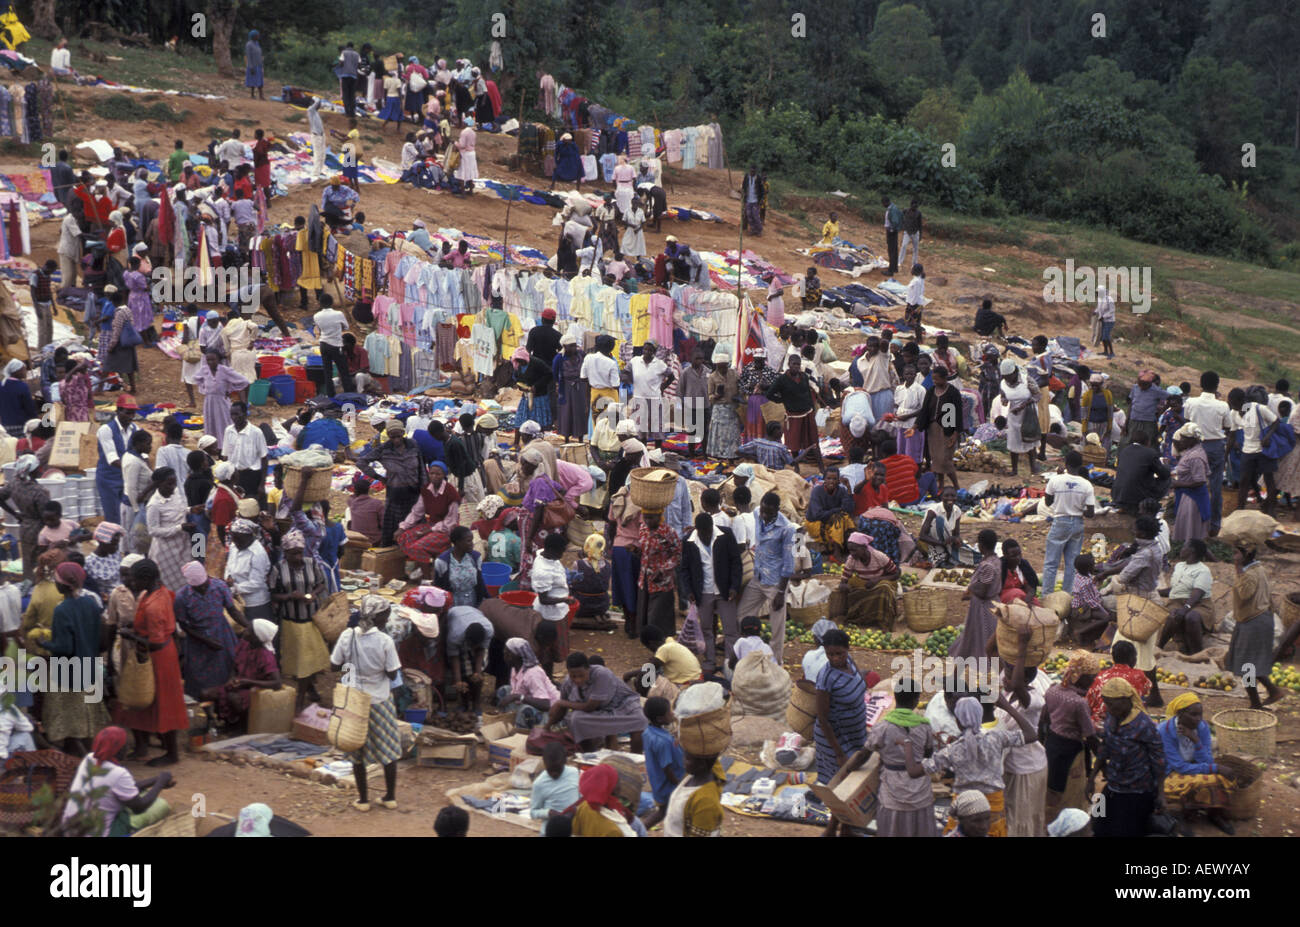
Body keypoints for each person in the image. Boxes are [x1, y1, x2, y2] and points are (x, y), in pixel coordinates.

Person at [924, 693, 1037, 837]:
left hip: (964, 809)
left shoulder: (953, 749)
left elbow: (922, 768)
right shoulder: (997, 737)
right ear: (981, 716)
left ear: (957, 722)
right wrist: (1008, 707)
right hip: (992, 808)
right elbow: (1031, 735)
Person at [330, 595, 402, 811]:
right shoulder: (385, 641)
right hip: (379, 700)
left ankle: (363, 800)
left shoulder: (347, 636)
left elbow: (334, 666)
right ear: (380, 617)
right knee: (389, 752)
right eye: (387, 613)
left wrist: (353, 671)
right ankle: (389, 797)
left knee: (356, 751)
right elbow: (392, 674)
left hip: (353, 701)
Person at [118, 559, 189, 766]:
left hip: (159, 657)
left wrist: (130, 636)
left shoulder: (154, 604)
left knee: (162, 703)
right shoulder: (157, 593)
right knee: (144, 700)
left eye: (134, 578)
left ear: (146, 578)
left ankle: (171, 753)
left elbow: (156, 643)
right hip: (159, 653)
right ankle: (147, 746)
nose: (130, 582)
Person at [41, 563, 110, 755]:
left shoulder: (62, 610)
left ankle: (82, 760)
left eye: (56, 579)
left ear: (62, 585)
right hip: (89, 667)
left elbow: (65, 647)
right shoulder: (90, 603)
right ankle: (95, 755)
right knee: (88, 718)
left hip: (68, 673)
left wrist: (44, 643)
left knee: (70, 723)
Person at [61, 727, 174, 837]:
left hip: (70, 829)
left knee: (138, 793)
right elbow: (139, 807)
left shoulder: (89, 758)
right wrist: (160, 783)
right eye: (125, 745)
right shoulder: (118, 773)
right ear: (118, 749)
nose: (127, 748)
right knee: (161, 805)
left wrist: (157, 779)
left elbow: (123, 788)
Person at [861, 676, 937, 836]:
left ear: (895, 697)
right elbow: (928, 754)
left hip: (892, 792)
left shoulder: (882, 727)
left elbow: (864, 754)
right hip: (920, 793)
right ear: (916, 701)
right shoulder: (924, 726)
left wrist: (848, 769)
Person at [1090, 677, 1165, 837]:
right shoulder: (1111, 717)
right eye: (1106, 703)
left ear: (1126, 700)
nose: (1108, 708)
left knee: (1126, 831)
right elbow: (1105, 748)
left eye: (1112, 703)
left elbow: (1158, 760)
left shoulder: (1144, 725)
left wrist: (1161, 793)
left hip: (1136, 792)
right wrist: (1091, 778)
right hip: (1112, 787)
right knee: (1097, 824)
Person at [1157, 693, 1236, 835]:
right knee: (1197, 782)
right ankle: (1180, 814)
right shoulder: (1165, 731)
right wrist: (1215, 768)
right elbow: (1179, 767)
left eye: (1200, 714)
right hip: (1168, 774)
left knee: (1223, 779)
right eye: (1193, 715)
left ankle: (1214, 814)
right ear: (1180, 714)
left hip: (1192, 767)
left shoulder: (1202, 727)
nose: (1198, 719)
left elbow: (1208, 761)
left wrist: (1195, 739)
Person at [271, 530, 331, 703]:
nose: (298, 557)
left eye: (300, 552)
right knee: (299, 661)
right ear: (285, 553)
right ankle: (309, 689)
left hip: (312, 620)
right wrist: (290, 596)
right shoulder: (278, 569)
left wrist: (312, 594)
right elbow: (273, 594)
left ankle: (301, 697)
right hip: (291, 621)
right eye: (293, 553)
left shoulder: (311, 564)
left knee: (308, 659)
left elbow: (321, 584)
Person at [736, 492, 796, 662]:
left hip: (776, 583)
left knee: (777, 628)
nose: (765, 516)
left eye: (769, 513)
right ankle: (752, 651)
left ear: (777, 510)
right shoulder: (756, 514)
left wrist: (780, 592)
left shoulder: (787, 529)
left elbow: (789, 563)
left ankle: (776, 662)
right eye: (763, 511)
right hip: (758, 577)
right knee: (742, 614)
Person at [679, 512, 743, 671]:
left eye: (708, 531)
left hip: (725, 591)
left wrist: (734, 587)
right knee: (706, 629)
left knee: (730, 630)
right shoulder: (688, 541)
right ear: (697, 530)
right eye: (703, 533)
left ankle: (730, 664)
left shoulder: (725, 535)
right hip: (703, 592)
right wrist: (688, 591)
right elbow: (684, 569)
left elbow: (736, 562)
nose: (706, 535)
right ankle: (709, 661)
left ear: (711, 528)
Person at [1225, 541, 1285, 710]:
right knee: (1249, 664)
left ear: (1246, 555)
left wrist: (1238, 570)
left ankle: (1261, 699)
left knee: (1247, 665)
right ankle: (1267, 694)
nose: (1234, 557)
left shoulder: (1250, 574)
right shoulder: (1258, 569)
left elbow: (1244, 594)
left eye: (1237, 553)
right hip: (1256, 620)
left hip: (1254, 621)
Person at [174, 560, 245, 701]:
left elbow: (232, 610)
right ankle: (203, 712)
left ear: (207, 577)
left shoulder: (220, 586)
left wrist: (249, 626)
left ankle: (224, 708)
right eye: (197, 588)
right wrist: (206, 641)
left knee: (228, 672)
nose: (202, 590)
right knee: (199, 680)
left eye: (204, 585)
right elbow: (184, 625)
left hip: (222, 635)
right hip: (198, 641)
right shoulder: (181, 597)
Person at [549, 652, 647, 752]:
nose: (577, 680)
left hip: (623, 705)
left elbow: (590, 706)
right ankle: (590, 754)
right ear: (569, 673)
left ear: (588, 669)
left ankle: (636, 757)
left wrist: (561, 703)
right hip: (601, 712)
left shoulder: (602, 674)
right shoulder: (568, 683)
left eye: (581, 675)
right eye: (573, 676)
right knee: (576, 720)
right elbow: (562, 708)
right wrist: (547, 727)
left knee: (640, 720)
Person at [1043, 652, 1100, 822]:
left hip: (1052, 745)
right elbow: (1089, 736)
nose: (1093, 681)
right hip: (1071, 752)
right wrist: (1101, 762)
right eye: (1091, 677)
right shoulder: (1079, 702)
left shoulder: (1052, 690)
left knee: (1051, 788)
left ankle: (1049, 824)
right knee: (1070, 794)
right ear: (1080, 677)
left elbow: (1044, 719)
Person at [813, 628, 868, 785]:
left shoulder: (849, 660)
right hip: (837, 740)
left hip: (855, 735)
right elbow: (823, 718)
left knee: (857, 778)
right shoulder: (826, 678)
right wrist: (839, 753)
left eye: (839, 653)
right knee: (840, 783)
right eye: (830, 654)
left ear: (847, 649)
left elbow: (857, 678)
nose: (835, 658)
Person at [358, 421, 426, 546]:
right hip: (395, 496)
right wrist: (378, 477)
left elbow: (421, 467)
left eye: (398, 436)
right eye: (392, 437)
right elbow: (361, 462)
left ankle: (414, 553)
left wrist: (424, 488)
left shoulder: (413, 445)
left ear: (403, 433)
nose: (396, 440)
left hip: (414, 494)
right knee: (394, 531)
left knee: (416, 528)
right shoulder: (384, 449)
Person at [1183, 370, 1234, 534]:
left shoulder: (1191, 402)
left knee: (1193, 482)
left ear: (1201, 384)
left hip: (1195, 445)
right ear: (1217, 385)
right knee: (1215, 486)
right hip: (1215, 446)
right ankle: (1214, 525)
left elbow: (1186, 423)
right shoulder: (1223, 405)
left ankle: (1193, 520)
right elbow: (1228, 427)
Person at [950, 529, 1002, 659]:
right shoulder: (995, 560)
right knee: (971, 640)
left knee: (978, 641)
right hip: (991, 604)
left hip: (983, 608)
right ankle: (955, 676)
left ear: (981, 546)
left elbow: (983, 591)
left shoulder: (987, 566)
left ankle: (991, 673)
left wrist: (968, 595)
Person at [1229, 386, 1280, 516]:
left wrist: (1268, 437)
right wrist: (1225, 454)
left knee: (1269, 479)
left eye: (1233, 403)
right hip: (1247, 450)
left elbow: (1276, 421)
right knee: (1244, 480)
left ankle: (1271, 509)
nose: (1231, 405)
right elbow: (1232, 435)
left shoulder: (1258, 408)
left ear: (1241, 400)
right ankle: (1240, 507)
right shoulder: (1234, 413)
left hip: (1264, 450)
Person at [0, 455, 49, 576]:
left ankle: (28, 584)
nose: (40, 469)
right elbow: (46, 517)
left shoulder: (14, 484)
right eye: (38, 467)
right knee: (41, 562)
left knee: (27, 561)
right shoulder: (39, 492)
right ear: (32, 471)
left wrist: (15, 514)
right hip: (40, 529)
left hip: (25, 526)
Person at [497, 637, 560, 730]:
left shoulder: (533, 673)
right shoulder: (515, 669)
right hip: (531, 702)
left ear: (518, 655)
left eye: (508, 652)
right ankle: (508, 723)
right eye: (505, 652)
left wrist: (518, 697)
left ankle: (522, 733)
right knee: (504, 690)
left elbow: (546, 704)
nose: (504, 655)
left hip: (551, 712)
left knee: (526, 710)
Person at [640, 697, 685, 827]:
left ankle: (638, 831)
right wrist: (679, 785)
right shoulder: (663, 741)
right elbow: (667, 768)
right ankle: (637, 832)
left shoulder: (648, 732)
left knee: (663, 812)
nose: (673, 714)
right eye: (669, 712)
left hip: (658, 782)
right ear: (660, 719)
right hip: (669, 786)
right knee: (666, 813)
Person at [917, 364, 962, 489]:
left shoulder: (953, 393)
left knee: (945, 460)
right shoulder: (931, 391)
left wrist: (955, 433)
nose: (935, 382)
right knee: (936, 460)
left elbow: (958, 414)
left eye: (937, 379)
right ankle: (940, 485)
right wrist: (916, 426)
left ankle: (956, 486)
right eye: (933, 379)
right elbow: (924, 410)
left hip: (947, 429)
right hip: (933, 429)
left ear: (944, 378)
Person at [663, 752, 726, 837]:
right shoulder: (691, 777)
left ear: (701, 764)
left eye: (688, 759)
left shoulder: (706, 801)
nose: (683, 761)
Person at [569, 762, 636, 837]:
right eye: (617, 782)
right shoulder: (613, 831)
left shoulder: (584, 806)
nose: (620, 787)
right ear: (612, 789)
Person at [1111, 431, 1171, 513]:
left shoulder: (1124, 451)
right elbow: (1164, 474)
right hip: (1138, 496)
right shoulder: (1150, 453)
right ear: (1147, 441)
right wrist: (1166, 466)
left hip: (1117, 496)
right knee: (1167, 479)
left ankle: (1125, 507)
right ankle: (1149, 505)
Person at [1000, 360, 1042, 475]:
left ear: (1015, 372)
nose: (1007, 379)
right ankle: (1014, 470)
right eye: (1005, 377)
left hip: (1028, 413)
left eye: (1009, 376)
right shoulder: (1003, 384)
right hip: (1014, 415)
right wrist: (1004, 401)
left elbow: (1038, 395)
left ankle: (1033, 467)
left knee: (1029, 439)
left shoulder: (1026, 380)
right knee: (1014, 440)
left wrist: (1024, 405)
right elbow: (1003, 397)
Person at [804, 467, 856, 558]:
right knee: (838, 519)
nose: (831, 481)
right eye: (829, 478)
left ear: (838, 481)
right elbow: (817, 515)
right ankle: (837, 551)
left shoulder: (841, 490)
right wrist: (837, 510)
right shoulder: (817, 491)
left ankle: (847, 545)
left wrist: (848, 489)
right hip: (816, 522)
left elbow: (849, 508)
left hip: (831, 520)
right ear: (824, 479)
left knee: (844, 517)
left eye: (834, 479)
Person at [530, 741, 580, 820]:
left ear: (564, 762)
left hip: (573, 826)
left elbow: (579, 798)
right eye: (550, 770)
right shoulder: (539, 783)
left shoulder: (574, 773)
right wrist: (548, 813)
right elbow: (533, 812)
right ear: (545, 763)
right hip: (552, 829)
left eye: (557, 769)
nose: (554, 774)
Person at [919, 485, 964, 566]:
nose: (950, 498)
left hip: (947, 542)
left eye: (953, 496)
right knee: (939, 520)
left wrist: (957, 539)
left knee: (971, 555)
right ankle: (942, 556)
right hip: (932, 543)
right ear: (941, 498)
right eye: (946, 496)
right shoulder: (933, 511)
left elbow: (956, 534)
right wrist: (941, 543)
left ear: (956, 497)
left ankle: (948, 554)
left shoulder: (957, 511)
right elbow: (922, 536)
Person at [999, 539, 1039, 605]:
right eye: (1013, 556)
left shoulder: (1024, 565)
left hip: (1022, 596)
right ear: (1005, 555)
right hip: (1003, 598)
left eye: (1019, 554)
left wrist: (1029, 597)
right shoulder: (999, 567)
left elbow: (1031, 586)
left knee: (1035, 602)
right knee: (1016, 593)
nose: (1018, 558)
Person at [740, 166, 766, 235]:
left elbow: (762, 190)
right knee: (749, 215)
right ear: (749, 171)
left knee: (756, 216)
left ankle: (759, 230)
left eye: (753, 172)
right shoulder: (746, 177)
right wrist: (743, 196)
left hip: (755, 201)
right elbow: (743, 186)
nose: (752, 173)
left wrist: (761, 200)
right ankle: (752, 229)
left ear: (755, 171)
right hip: (748, 200)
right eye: (751, 171)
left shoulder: (758, 178)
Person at [1094, 285, 1116, 357]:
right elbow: (1099, 308)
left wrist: (1104, 317)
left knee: (1106, 336)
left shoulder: (1109, 300)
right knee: (1102, 336)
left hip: (1109, 321)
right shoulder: (1100, 299)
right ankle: (1105, 351)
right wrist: (1095, 312)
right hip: (1103, 320)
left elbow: (1112, 311)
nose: (1097, 294)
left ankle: (1112, 352)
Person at [243, 30, 264, 99]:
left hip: (259, 65)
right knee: (252, 80)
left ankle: (261, 95)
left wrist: (261, 64)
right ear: (253, 36)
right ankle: (252, 95)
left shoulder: (257, 43)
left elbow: (259, 54)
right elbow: (248, 56)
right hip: (252, 65)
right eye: (257, 35)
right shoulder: (249, 44)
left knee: (259, 80)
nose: (258, 36)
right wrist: (251, 67)